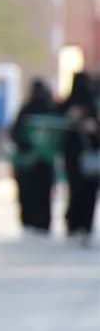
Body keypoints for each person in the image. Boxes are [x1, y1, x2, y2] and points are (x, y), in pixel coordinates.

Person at [9, 79, 62, 236]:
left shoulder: (26, 109)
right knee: (44, 193)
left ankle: (29, 222)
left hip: (27, 161)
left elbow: (15, 134)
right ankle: (44, 223)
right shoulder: (51, 109)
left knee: (28, 193)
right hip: (45, 161)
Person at [59, 70, 100, 246]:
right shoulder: (69, 107)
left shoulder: (92, 107)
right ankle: (78, 226)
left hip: (83, 159)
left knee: (83, 193)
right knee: (80, 192)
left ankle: (81, 227)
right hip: (77, 159)